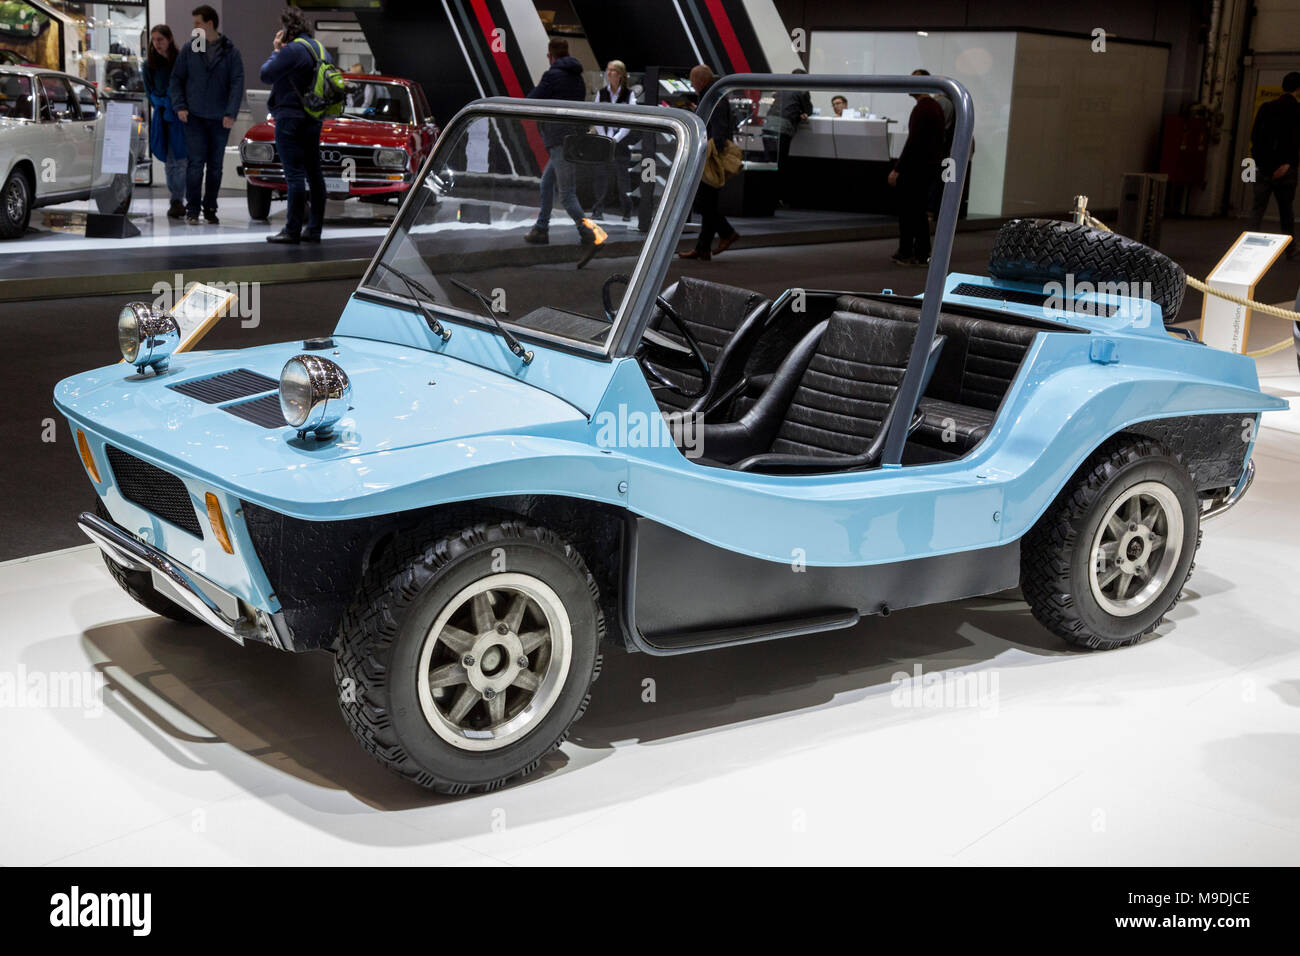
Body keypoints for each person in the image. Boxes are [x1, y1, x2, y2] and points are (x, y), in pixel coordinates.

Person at [523, 37, 599, 256]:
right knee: (546, 184)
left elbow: (532, 100)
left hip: (558, 141)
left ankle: (590, 232)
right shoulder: (577, 78)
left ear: (550, 56)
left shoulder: (552, 76)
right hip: (571, 140)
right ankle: (541, 228)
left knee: (567, 194)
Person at [260, 7, 330, 244]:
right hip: (314, 118)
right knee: (314, 174)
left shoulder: (293, 50)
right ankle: (314, 229)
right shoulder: (321, 50)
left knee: (294, 175)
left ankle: (291, 230)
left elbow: (266, 74)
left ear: (288, 30)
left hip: (290, 117)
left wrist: (276, 50)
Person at [170, 5, 244, 225]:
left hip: (220, 118)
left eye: (197, 23)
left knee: (215, 167)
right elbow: (176, 79)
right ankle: (192, 209)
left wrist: (231, 112)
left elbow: (237, 83)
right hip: (194, 117)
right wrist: (180, 106)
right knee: (195, 165)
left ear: (210, 24)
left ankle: (210, 207)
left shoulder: (230, 51)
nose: (194, 28)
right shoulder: (191, 48)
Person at [680, 65, 738, 261]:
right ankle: (703, 248)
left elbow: (719, 130)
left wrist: (710, 152)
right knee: (708, 203)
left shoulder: (713, 97)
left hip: (710, 157)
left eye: (692, 80)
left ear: (700, 80)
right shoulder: (714, 94)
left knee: (703, 202)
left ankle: (727, 232)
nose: (691, 84)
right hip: (710, 155)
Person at [887, 69, 944, 265]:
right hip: (927, 167)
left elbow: (914, 142)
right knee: (917, 212)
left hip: (916, 169)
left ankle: (909, 252)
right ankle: (918, 252)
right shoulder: (934, 107)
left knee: (910, 212)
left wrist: (897, 169)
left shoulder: (923, 108)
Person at [1248, 71, 1299, 259]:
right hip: (1286, 170)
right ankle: (1290, 249)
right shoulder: (1296, 110)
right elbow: (1294, 141)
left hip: (1263, 168)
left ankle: (1247, 248)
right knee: (1286, 211)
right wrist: (1287, 164)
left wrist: (1262, 163)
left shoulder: (1266, 107)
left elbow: (1254, 137)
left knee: (1257, 210)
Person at [142, 24, 187, 219]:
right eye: (154, 40)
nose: (157, 44)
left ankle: (180, 198)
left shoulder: (181, 60)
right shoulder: (149, 65)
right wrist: (161, 104)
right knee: (169, 161)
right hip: (162, 115)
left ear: (169, 38)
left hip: (181, 115)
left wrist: (178, 105)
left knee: (183, 160)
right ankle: (175, 200)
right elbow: (148, 91)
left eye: (160, 39)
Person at [592, 59, 636, 221]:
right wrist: (605, 137)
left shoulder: (629, 94)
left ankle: (627, 210)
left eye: (613, 70)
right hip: (604, 142)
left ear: (621, 75)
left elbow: (630, 120)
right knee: (601, 176)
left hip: (621, 142)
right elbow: (596, 116)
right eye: (608, 70)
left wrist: (616, 138)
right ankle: (598, 209)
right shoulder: (601, 93)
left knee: (622, 177)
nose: (609, 73)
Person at [768, 67, 811, 202]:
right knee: (780, 164)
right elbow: (808, 109)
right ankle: (778, 198)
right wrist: (801, 112)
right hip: (783, 128)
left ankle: (767, 196)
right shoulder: (802, 90)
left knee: (769, 164)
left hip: (768, 125)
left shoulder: (781, 88)